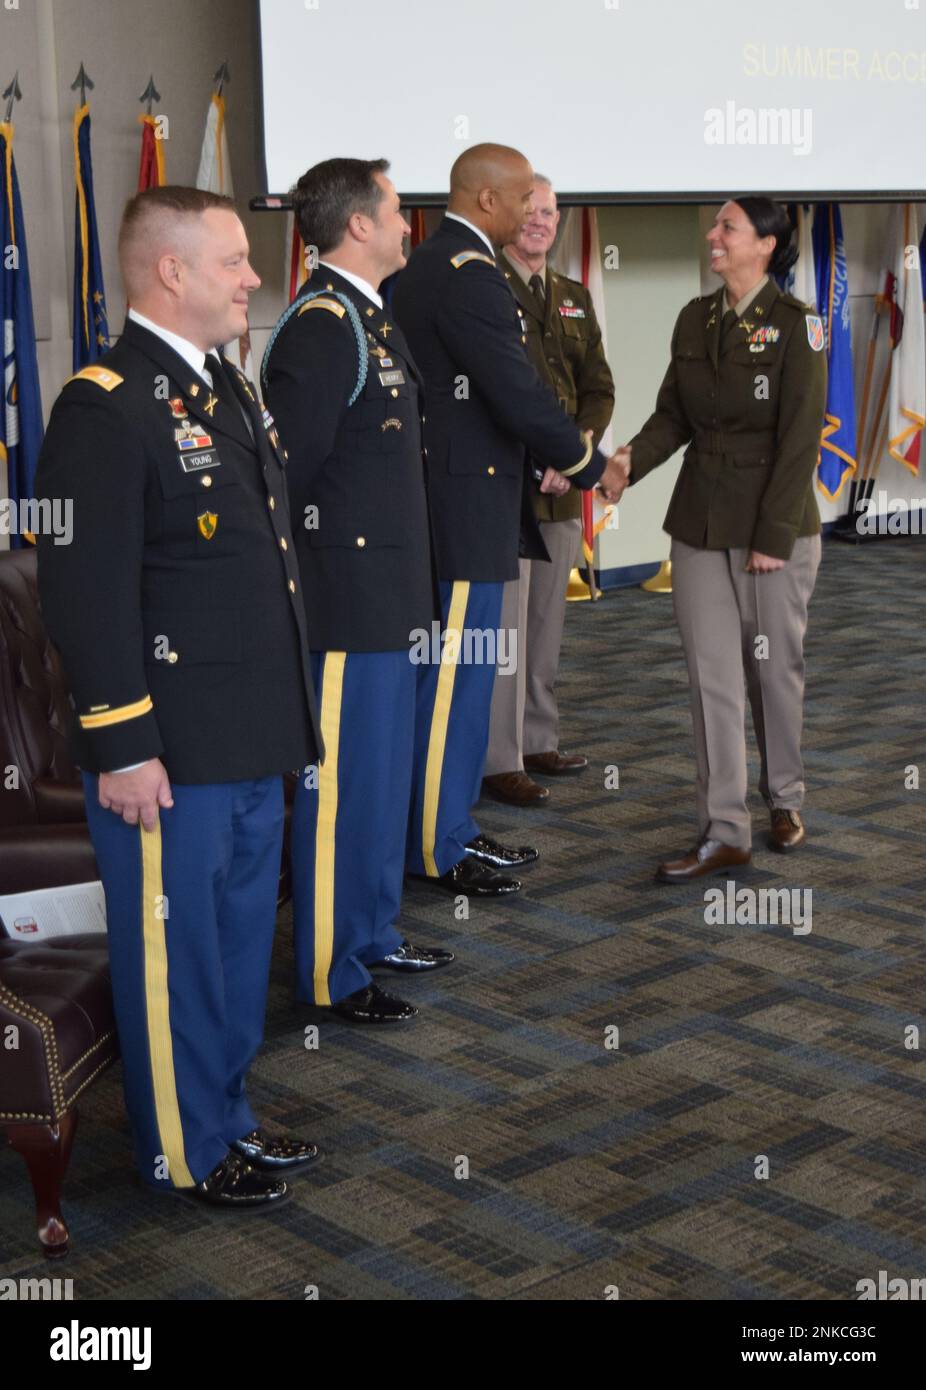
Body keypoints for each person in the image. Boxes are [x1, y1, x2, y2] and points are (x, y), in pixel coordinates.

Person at [36, 186, 323, 1208]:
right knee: (176, 955)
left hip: (247, 736)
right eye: (236, 259)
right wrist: (121, 744)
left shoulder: (223, 387)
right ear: (170, 271)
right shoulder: (104, 405)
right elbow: (84, 588)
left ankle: (224, 1118)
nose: (253, 277)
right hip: (167, 755)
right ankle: (181, 1152)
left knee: (238, 946)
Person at [393, 143, 629, 899]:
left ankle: (452, 828)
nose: (536, 209)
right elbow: (517, 390)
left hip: (476, 502)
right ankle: (436, 842)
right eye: (525, 196)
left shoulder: (445, 268)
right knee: (456, 684)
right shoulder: (466, 276)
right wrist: (588, 464)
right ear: (487, 201)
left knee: (465, 680)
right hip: (464, 514)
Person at [263, 157, 453, 1027]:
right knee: (339, 794)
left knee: (379, 782)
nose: (408, 221)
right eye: (395, 207)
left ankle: (372, 933)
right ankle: (330, 973)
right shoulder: (321, 326)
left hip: (391, 601)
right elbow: (288, 481)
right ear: (359, 226)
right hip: (344, 607)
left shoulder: (370, 319)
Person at [621, 197, 826, 882]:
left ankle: (786, 799)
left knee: (773, 671)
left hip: (775, 526)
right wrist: (625, 463)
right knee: (712, 678)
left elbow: (801, 439)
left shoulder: (799, 326)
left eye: (728, 227)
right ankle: (723, 829)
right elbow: (671, 416)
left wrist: (772, 536)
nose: (713, 235)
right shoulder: (694, 317)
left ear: (765, 245)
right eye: (715, 225)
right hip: (700, 522)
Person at [483, 175, 615, 807]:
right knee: (506, 631)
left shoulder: (571, 294)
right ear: (509, 216)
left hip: (563, 489)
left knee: (545, 625)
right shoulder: (484, 286)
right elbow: (490, 392)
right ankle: (499, 759)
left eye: (551, 212)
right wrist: (548, 455)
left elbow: (599, 386)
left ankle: (538, 739)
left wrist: (576, 450)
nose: (540, 221)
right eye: (530, 211)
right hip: (510, 487)